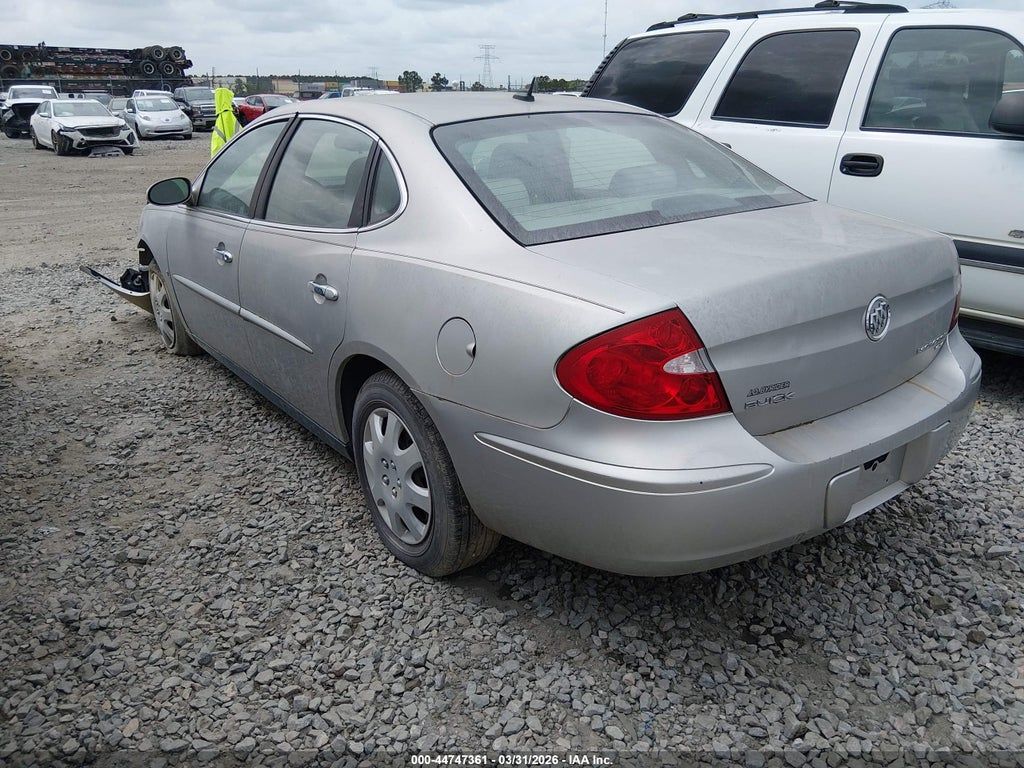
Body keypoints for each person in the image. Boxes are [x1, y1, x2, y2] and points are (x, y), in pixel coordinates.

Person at [210, 87, 239, 156]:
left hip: (227, 157)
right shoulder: (230, 116)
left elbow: (218, 144)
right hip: (236, 155)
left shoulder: (223, 118)